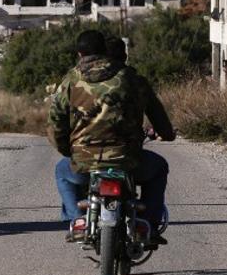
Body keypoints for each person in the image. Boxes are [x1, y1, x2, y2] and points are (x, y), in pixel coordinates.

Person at [48, 30, 175, 245]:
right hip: (128, 161)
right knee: (159, 167)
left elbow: (55, 125)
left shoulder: (70, 81)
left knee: (62, 171)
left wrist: (69, 152)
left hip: (85, 164)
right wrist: (167, 134)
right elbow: (158, 117)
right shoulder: (132, 79)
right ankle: (148, 224)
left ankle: (77, 219)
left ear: (80, 54)